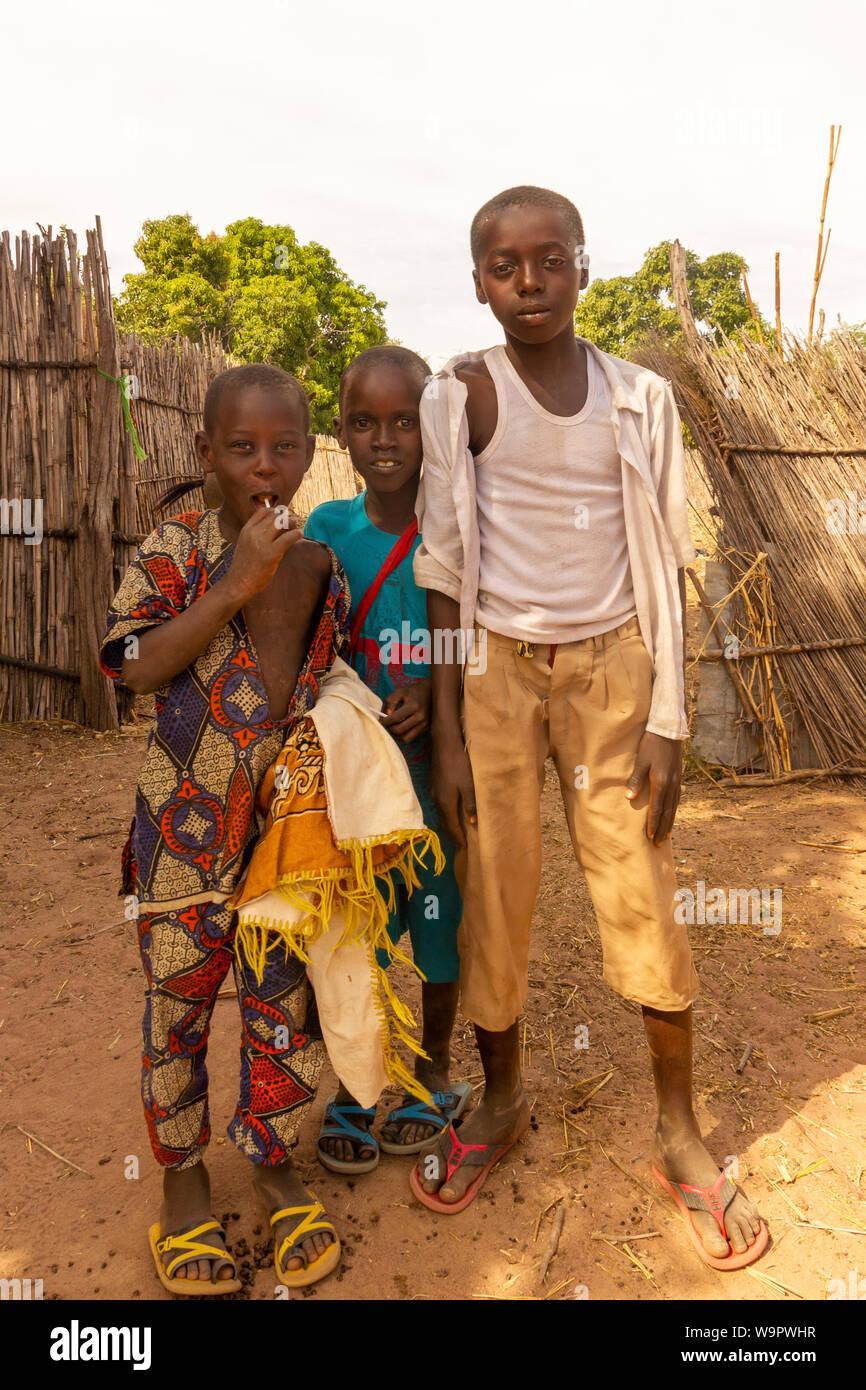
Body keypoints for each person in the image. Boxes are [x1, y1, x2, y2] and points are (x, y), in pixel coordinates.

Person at [410, 187, 769, 1268]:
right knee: (494, 892)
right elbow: (439, 561)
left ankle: (676, 1130)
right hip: (492, 675)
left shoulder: (636, 398)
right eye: (503, 265)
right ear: (478, 280)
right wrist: (449, 732)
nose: (528, 282)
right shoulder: (458, 394)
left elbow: (664, 554)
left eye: (547, 260)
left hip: (611, 670)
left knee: (639, 888)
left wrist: (667, 715)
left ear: (579, 266)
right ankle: (505, 1097)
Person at [100, 364, 349, 1292]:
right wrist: (235, 585)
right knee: (180, 1007)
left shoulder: (319, 560)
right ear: (205, 452)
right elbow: (128, 662)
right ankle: (183, 1182)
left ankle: (276, 1163)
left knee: (283, 1002)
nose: (265, 467)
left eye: (286, 447)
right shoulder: (176, 546)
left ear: (311, 452)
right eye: (242, 448)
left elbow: (331, 675)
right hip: (182, 833)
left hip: (282, 832)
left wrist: (385, 700)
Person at [304, 346, 469, 1174]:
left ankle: (435, 1070)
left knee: (440, 932)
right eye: (364, 422)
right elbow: (309, 645)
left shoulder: (463, 526)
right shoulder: (327, 531)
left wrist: (440, 702)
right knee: (358, 938)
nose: (385, 438)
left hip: (436, 780)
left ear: (430, 429)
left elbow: (488, 646)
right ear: (342, 431)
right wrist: (360, 698)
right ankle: (357, 1084)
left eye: (405, 420)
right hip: (360, 791)